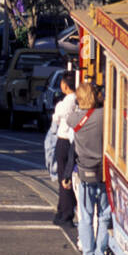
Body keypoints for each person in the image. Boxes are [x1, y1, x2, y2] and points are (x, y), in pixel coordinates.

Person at [69, 81, 111, 255]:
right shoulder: (105, 116)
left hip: (84, 172)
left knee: (85, 216)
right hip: (103, 172)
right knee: (104, 215)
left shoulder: (74, 119)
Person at [51, 71, 78, 227]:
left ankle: (66, 214)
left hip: (64, 141)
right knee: (67, 176)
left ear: (65, 85)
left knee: (64, 178)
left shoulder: (66, 102)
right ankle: (61, 210)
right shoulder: (77, 100)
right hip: (72, 141)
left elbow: (56, 118)